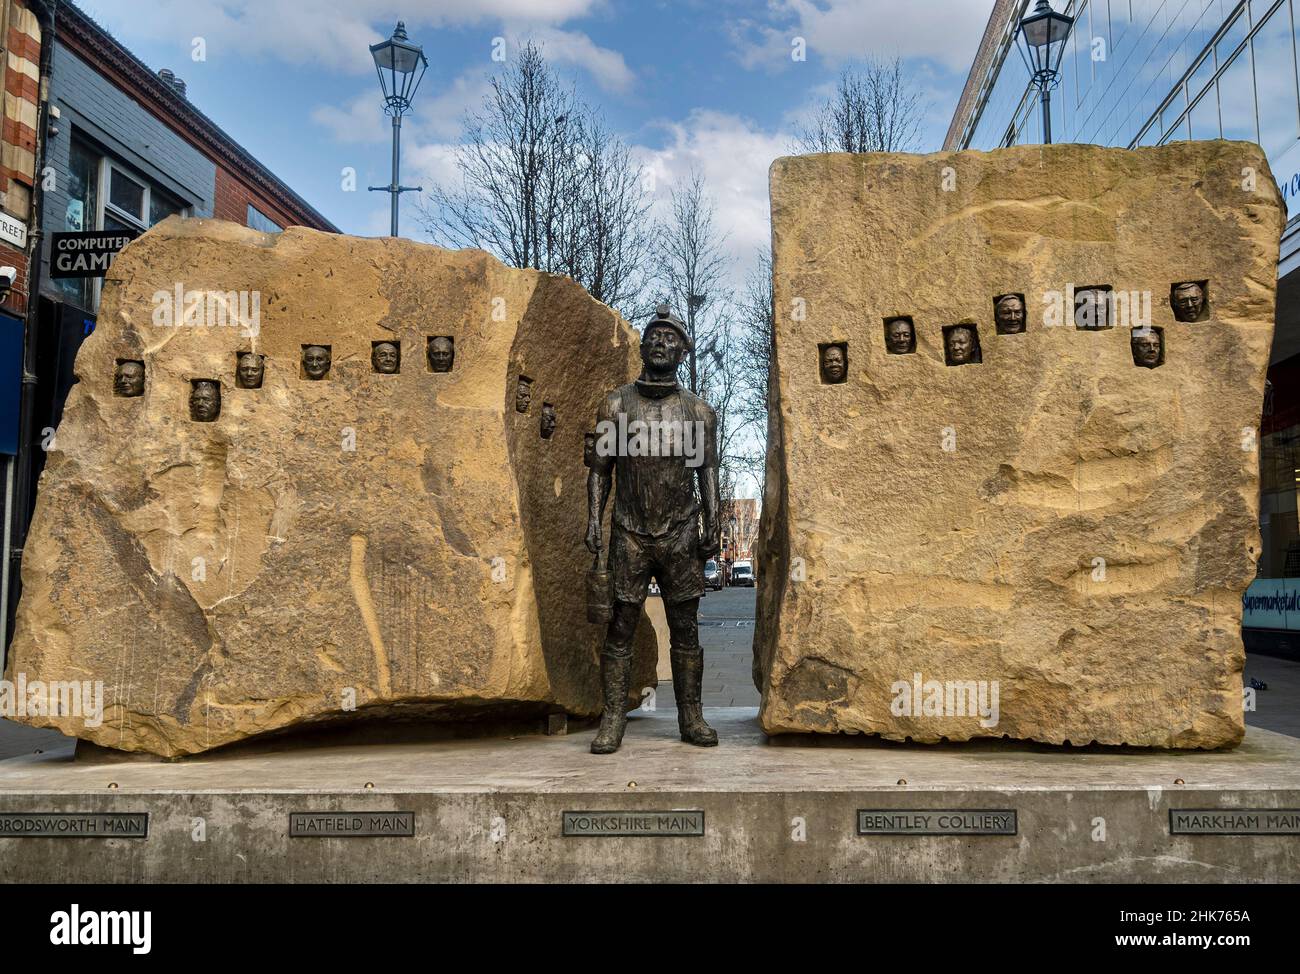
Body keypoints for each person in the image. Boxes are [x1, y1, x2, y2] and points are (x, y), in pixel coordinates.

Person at [585, 304, 721, 754]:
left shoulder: (698, 411)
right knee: (620, 626)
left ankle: (692, 716)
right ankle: (611, 719)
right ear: (643, 347)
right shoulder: (616, 404)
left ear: (683, 350)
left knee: (687, 627)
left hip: (680, 531)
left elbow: (707, 472)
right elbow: (600, 470)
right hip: (630, 531)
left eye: (670, 338)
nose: (661, 343)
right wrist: (594, 521)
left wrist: (713, 519)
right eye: (654, 336)